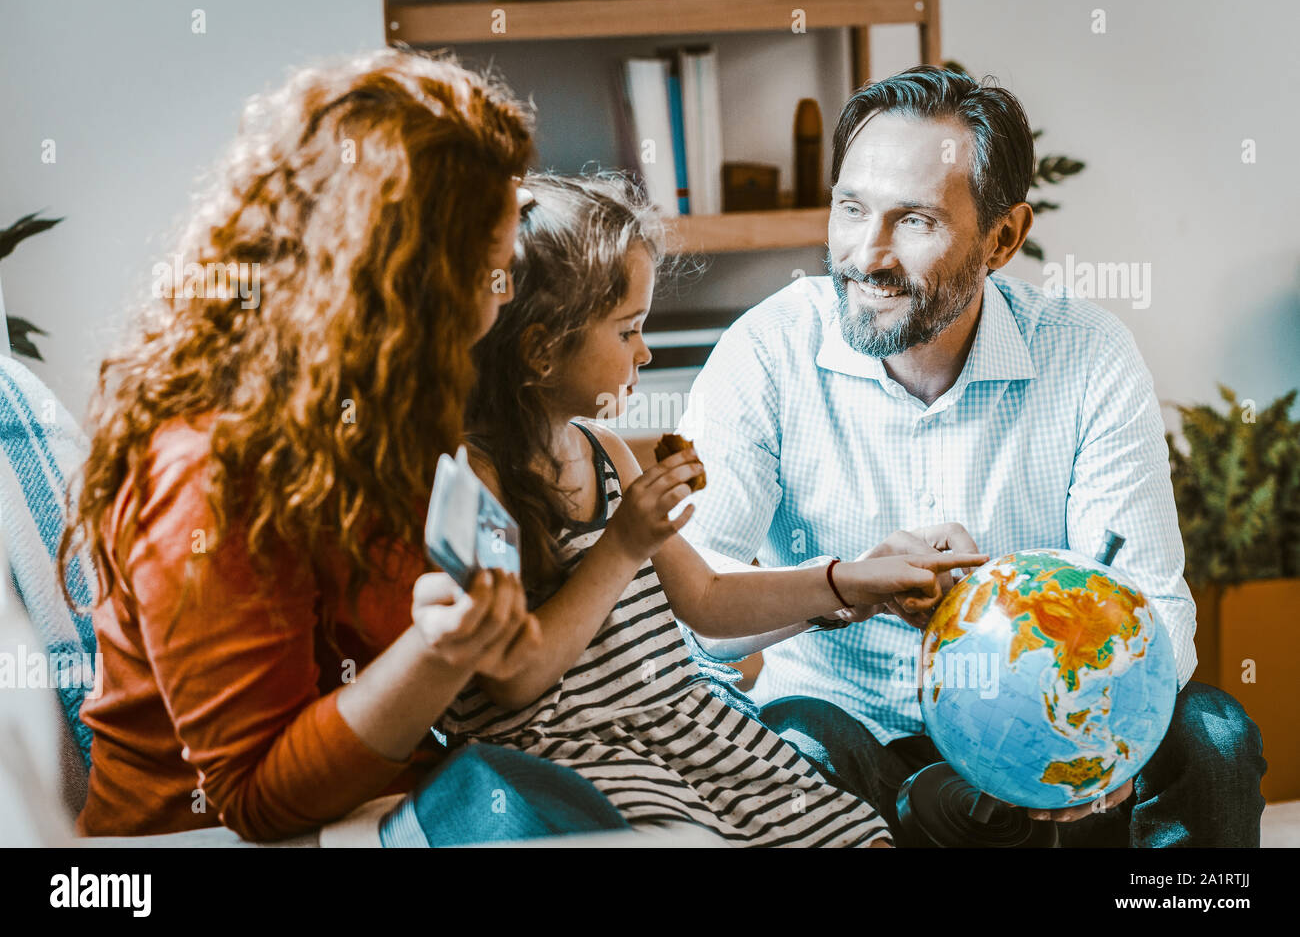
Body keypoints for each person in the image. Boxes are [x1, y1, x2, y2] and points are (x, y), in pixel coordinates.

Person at [673, 66, 1267, 847]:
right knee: (794, 741)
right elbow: (692, 614)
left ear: (1004, 237)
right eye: (851, 210)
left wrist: (1094, 738)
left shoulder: (1088, 354)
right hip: (850, 743)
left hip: (1041, 738)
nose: (866, 255)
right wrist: (849, 588)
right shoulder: (767, 352)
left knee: (1213, 737)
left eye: (914, 221)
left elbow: (1153, 604)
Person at [59, 48, 628, 844]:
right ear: (396, 290)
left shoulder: (371, 407)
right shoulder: (206, 469)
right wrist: (437, 653)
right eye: (487, 278)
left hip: (390, 790)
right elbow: (254, 803)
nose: (494, 311)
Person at [451, 170, 986, 846]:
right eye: (627, 331)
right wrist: (622, 546)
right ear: (539, 350)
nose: (644, 351)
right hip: (565, 753)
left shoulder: (606, 450)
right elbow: (511, 679)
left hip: (679, 726)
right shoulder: (475, 479)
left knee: (853, 833)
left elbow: (704, 599)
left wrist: (851, 581)